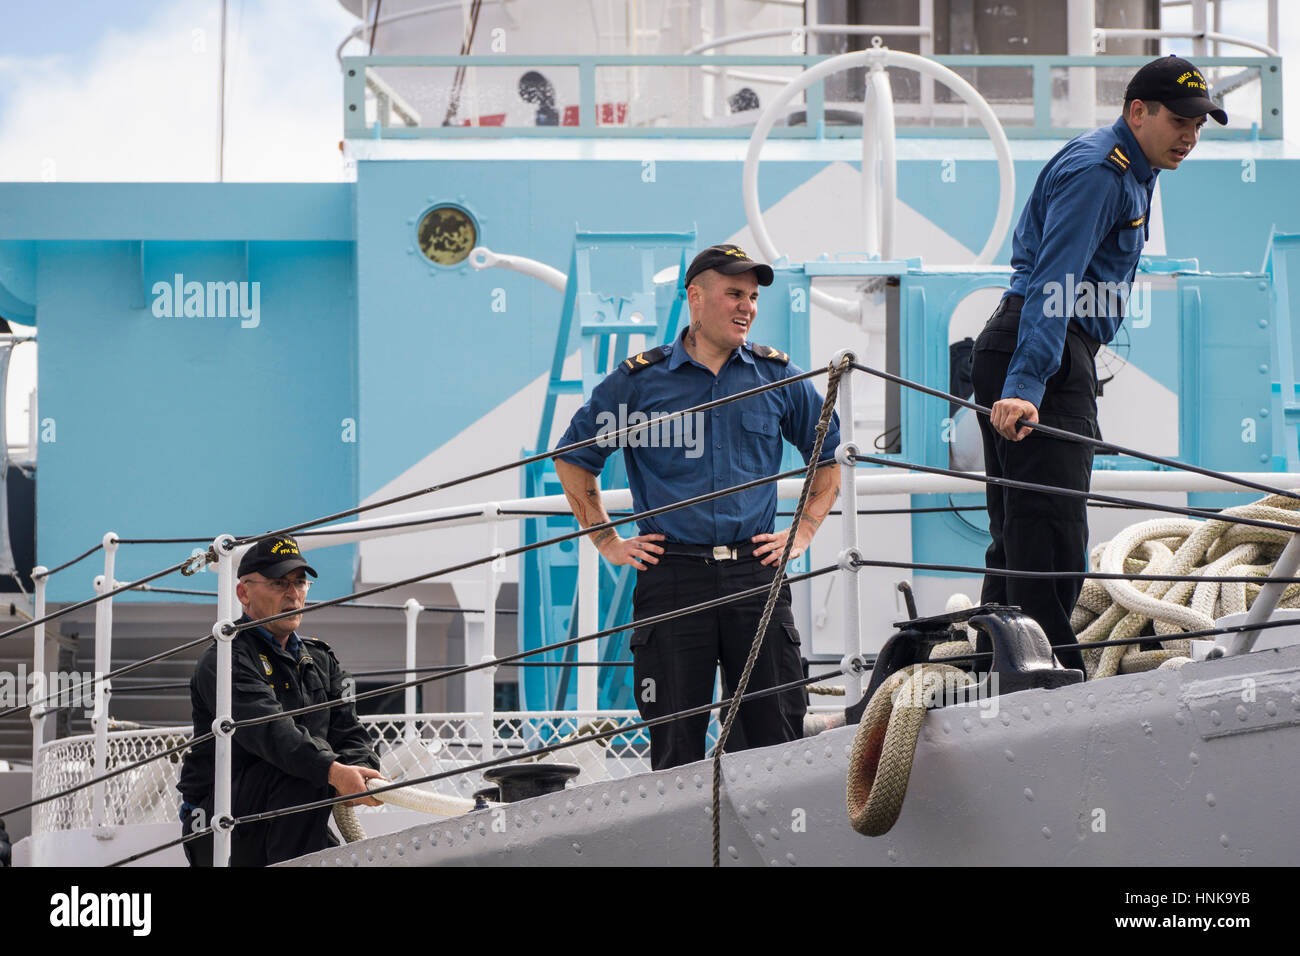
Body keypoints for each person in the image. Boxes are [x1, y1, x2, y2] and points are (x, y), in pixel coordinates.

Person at [973, 56, 1227, 673]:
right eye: (1179, 120)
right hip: (1043, 352)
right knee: (1049, 532)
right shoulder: (1101, 172)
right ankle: (1048, 677)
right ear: (1136, 112)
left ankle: (991, 665)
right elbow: (1054, 284)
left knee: (1022, 532)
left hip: (1041, 349)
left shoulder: (1135, 166)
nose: (1190, 135)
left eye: (1199, 123)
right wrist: (1028, 384)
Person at [554, 243, 841, 770]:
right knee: (675, 745)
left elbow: (828, 460)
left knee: (772, 737)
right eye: (734, 293)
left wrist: (801, 533)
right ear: (696, 297)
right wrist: (608, 541)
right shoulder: (640, 382)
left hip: (756, 576)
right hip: (671, 576)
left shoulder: (777, 376)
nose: (747, 307)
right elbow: (574, 459)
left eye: (752, 297)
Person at [177, 534, 382, 866]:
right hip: (220, 823)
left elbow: (351, 730)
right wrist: (333, 771)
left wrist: (364, 770)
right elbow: (273, 734)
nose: (293, 593)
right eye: (279, 583)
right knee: (305, 766)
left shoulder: (321, 659)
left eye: (300, 583)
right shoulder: (226, 658)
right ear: (243, 593)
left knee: (313, 768)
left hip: (288, 818)